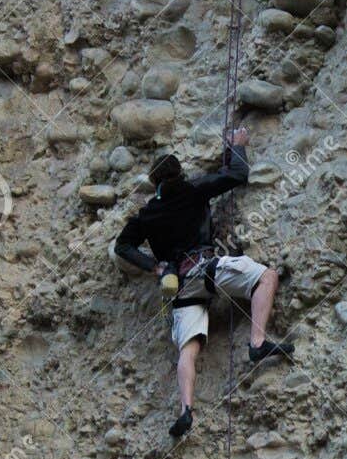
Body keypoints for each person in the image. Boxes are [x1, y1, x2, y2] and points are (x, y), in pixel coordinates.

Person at [111, 127, 294, 439]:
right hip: (206, 268)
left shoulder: (147, 214)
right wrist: (237, 146)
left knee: (189, 348)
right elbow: (238, 175)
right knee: (267, 276)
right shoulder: (192, 189)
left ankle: (186, 410)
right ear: (180, 173)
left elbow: (122, 246)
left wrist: (154, 266)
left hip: (179, 287)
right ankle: (258, 343)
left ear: (155, 183)